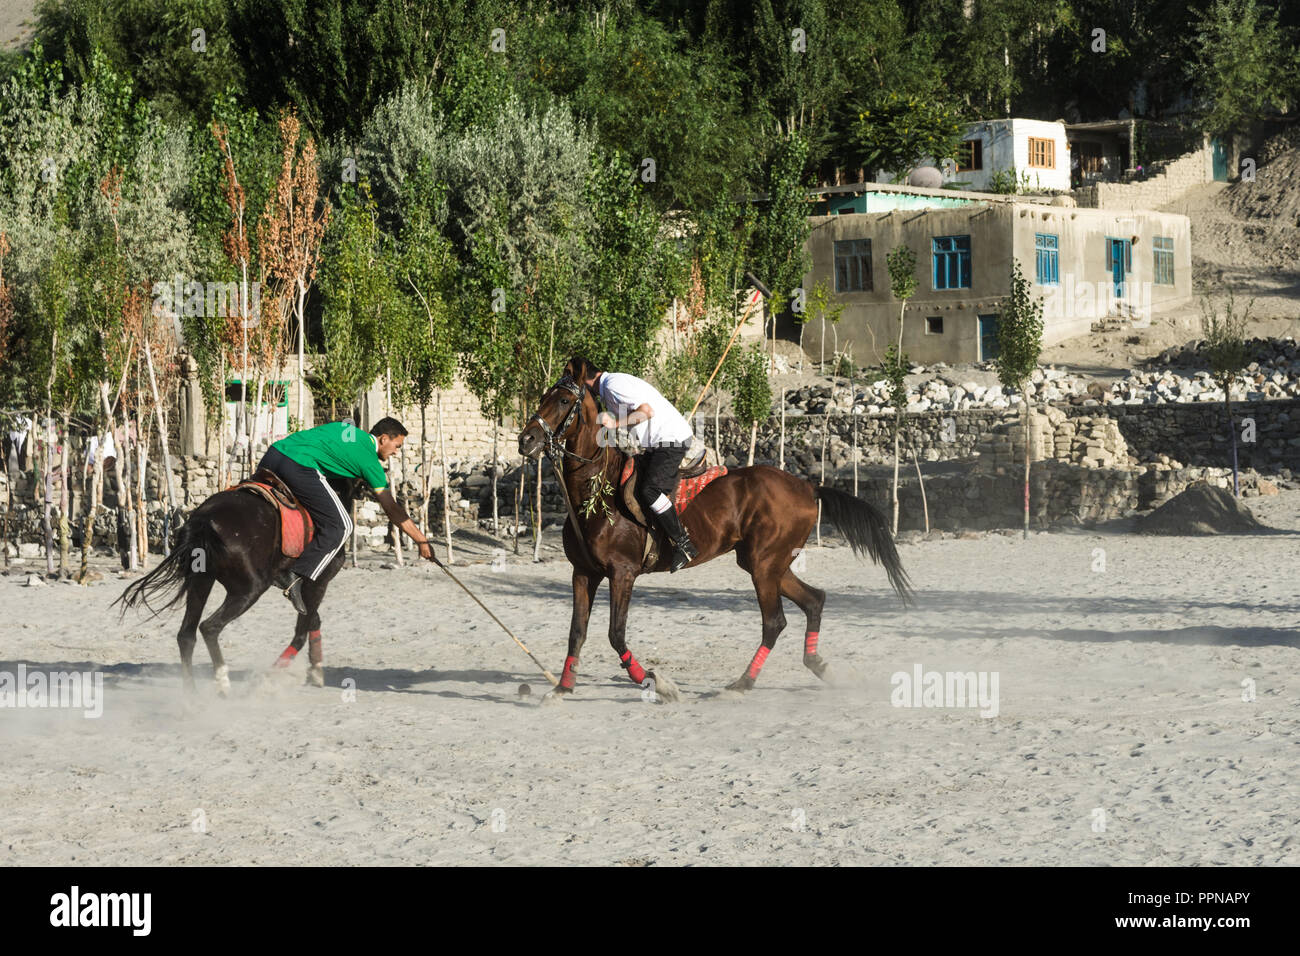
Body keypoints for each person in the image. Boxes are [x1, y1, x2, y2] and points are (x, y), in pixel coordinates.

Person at [257, 416, 434, 612]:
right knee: (341, 526)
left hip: (272, 456)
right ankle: (293, 576)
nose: (396, 452)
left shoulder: (350, 431)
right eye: (397, 445)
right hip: (299, 465)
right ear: (384, 439)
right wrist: (421, 540)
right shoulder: (369, 462)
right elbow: (391, 509)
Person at [576, 360, 698, 572]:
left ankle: (684, 544)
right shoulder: (609, 388)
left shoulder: (613, 385)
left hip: (670, 440)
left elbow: (646, 411)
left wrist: (615, 423)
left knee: (650, 490)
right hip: (656, 444)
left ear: (585, 379)